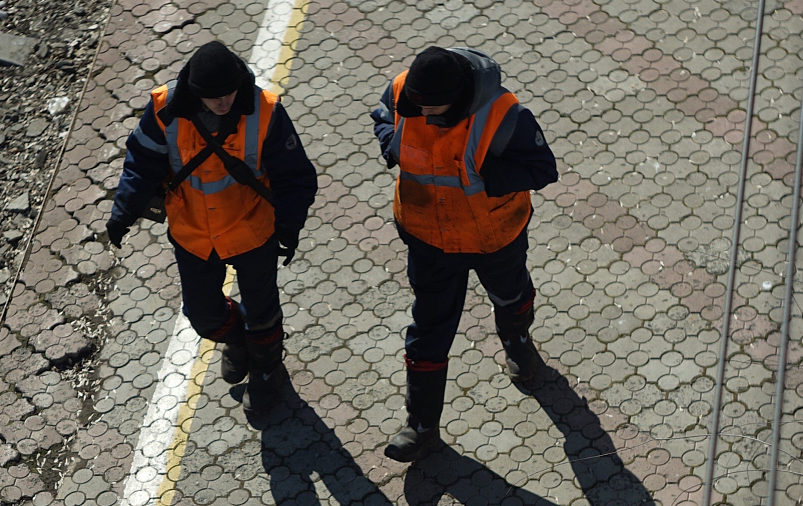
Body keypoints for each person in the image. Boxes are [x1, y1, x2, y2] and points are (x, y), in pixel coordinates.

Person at [105, 40, 318, 418]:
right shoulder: (162, 109)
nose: (224, 103)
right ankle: (239, 343)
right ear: (195, 92)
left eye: (230, 94)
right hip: (193, 235)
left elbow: (295, 176)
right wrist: (123, 213)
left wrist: (288, 226)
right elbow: (141, 165)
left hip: (253, 231)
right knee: (203, 315)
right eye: (214, 97)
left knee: (263, 312)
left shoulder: (266, 112)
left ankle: (267, 370)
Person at [371, 44, 558, 462]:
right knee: (429, 329)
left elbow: (543, 167)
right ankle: (420, 426)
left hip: (494, 237)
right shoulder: (405, 92)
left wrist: (486, 173)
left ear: (457, 96)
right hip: (428, 239)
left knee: (510, 296)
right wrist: (392, 147)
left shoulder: (505, 114)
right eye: (419, 107)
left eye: (434, 109)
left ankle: (517, 337)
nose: (426, 116)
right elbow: (384, 118)